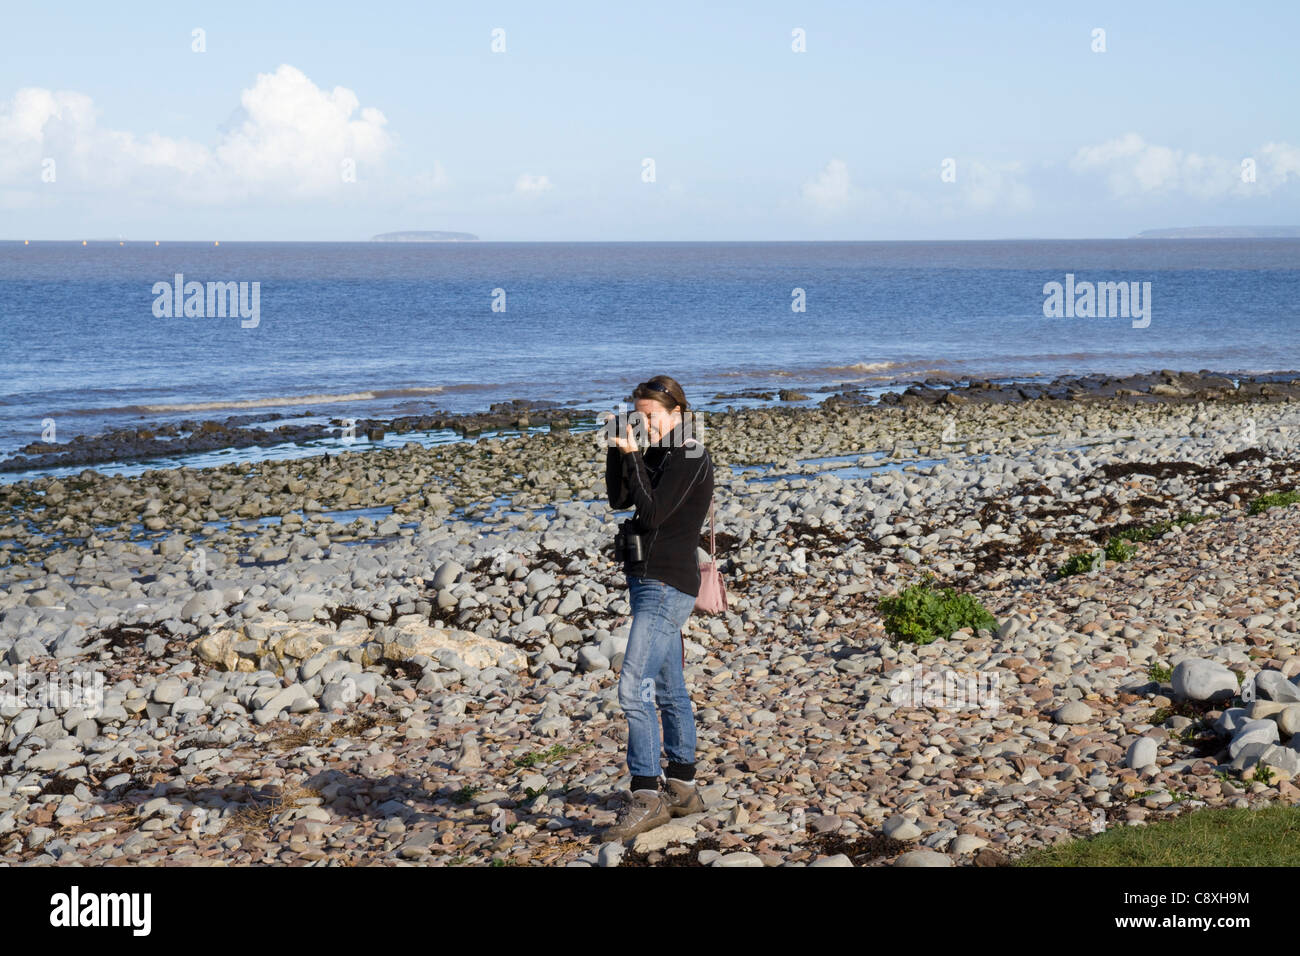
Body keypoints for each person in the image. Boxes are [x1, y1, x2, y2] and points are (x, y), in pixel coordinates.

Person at [600, 375, 715, 841]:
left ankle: (646, 795)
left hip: (667, 584)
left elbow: (650, 516)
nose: (644, 423)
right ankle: (683, 789)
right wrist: (618, 450)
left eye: (650, 415)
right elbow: (620, 499)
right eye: (639, 415)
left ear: (677, 412)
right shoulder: (659, 450)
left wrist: (632, 454)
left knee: (633, 690)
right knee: (668, 687)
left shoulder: (689, 454)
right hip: (647, 580)